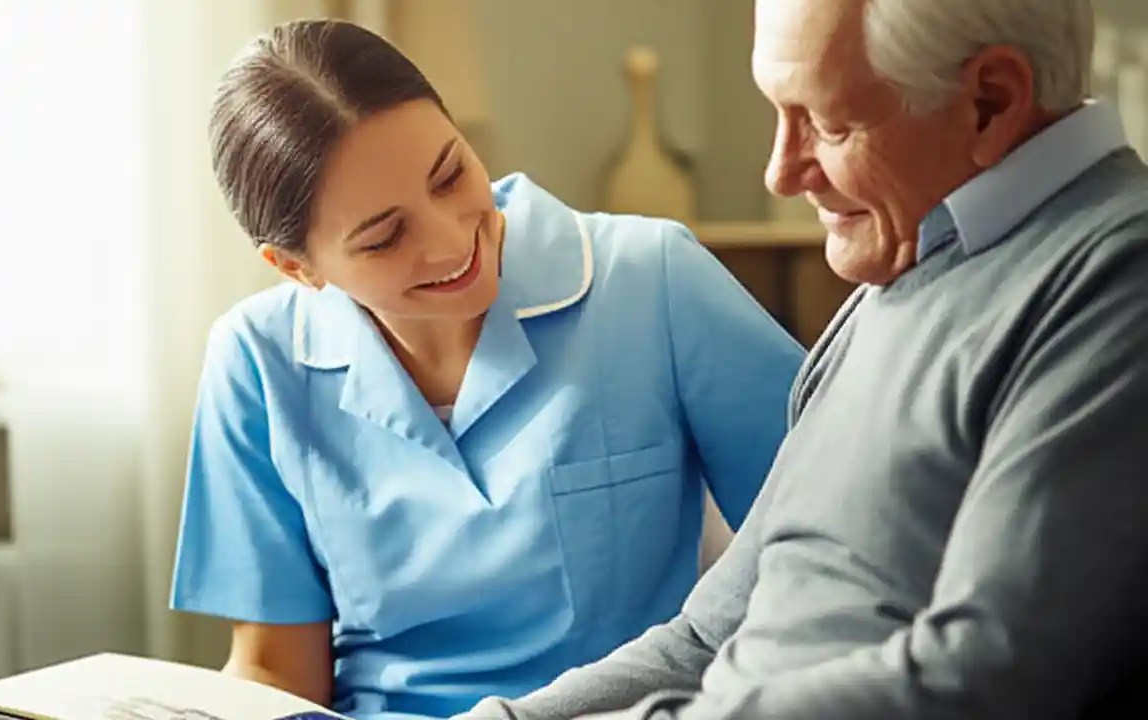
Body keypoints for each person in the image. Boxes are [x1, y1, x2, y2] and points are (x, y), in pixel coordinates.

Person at [458, 0, 1148, 718]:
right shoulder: (907, 264)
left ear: (991, 101)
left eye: (827, 123)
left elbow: (983, 675)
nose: (781, 173)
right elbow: (706, 638)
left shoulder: (1115, 279)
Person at [168, 19, 805, 720]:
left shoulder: (649, 279)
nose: (451, 244)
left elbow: (829, 542)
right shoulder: (255, 363)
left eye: (450, 175)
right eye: (385, 237)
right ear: (296, 267)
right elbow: (278, 670)